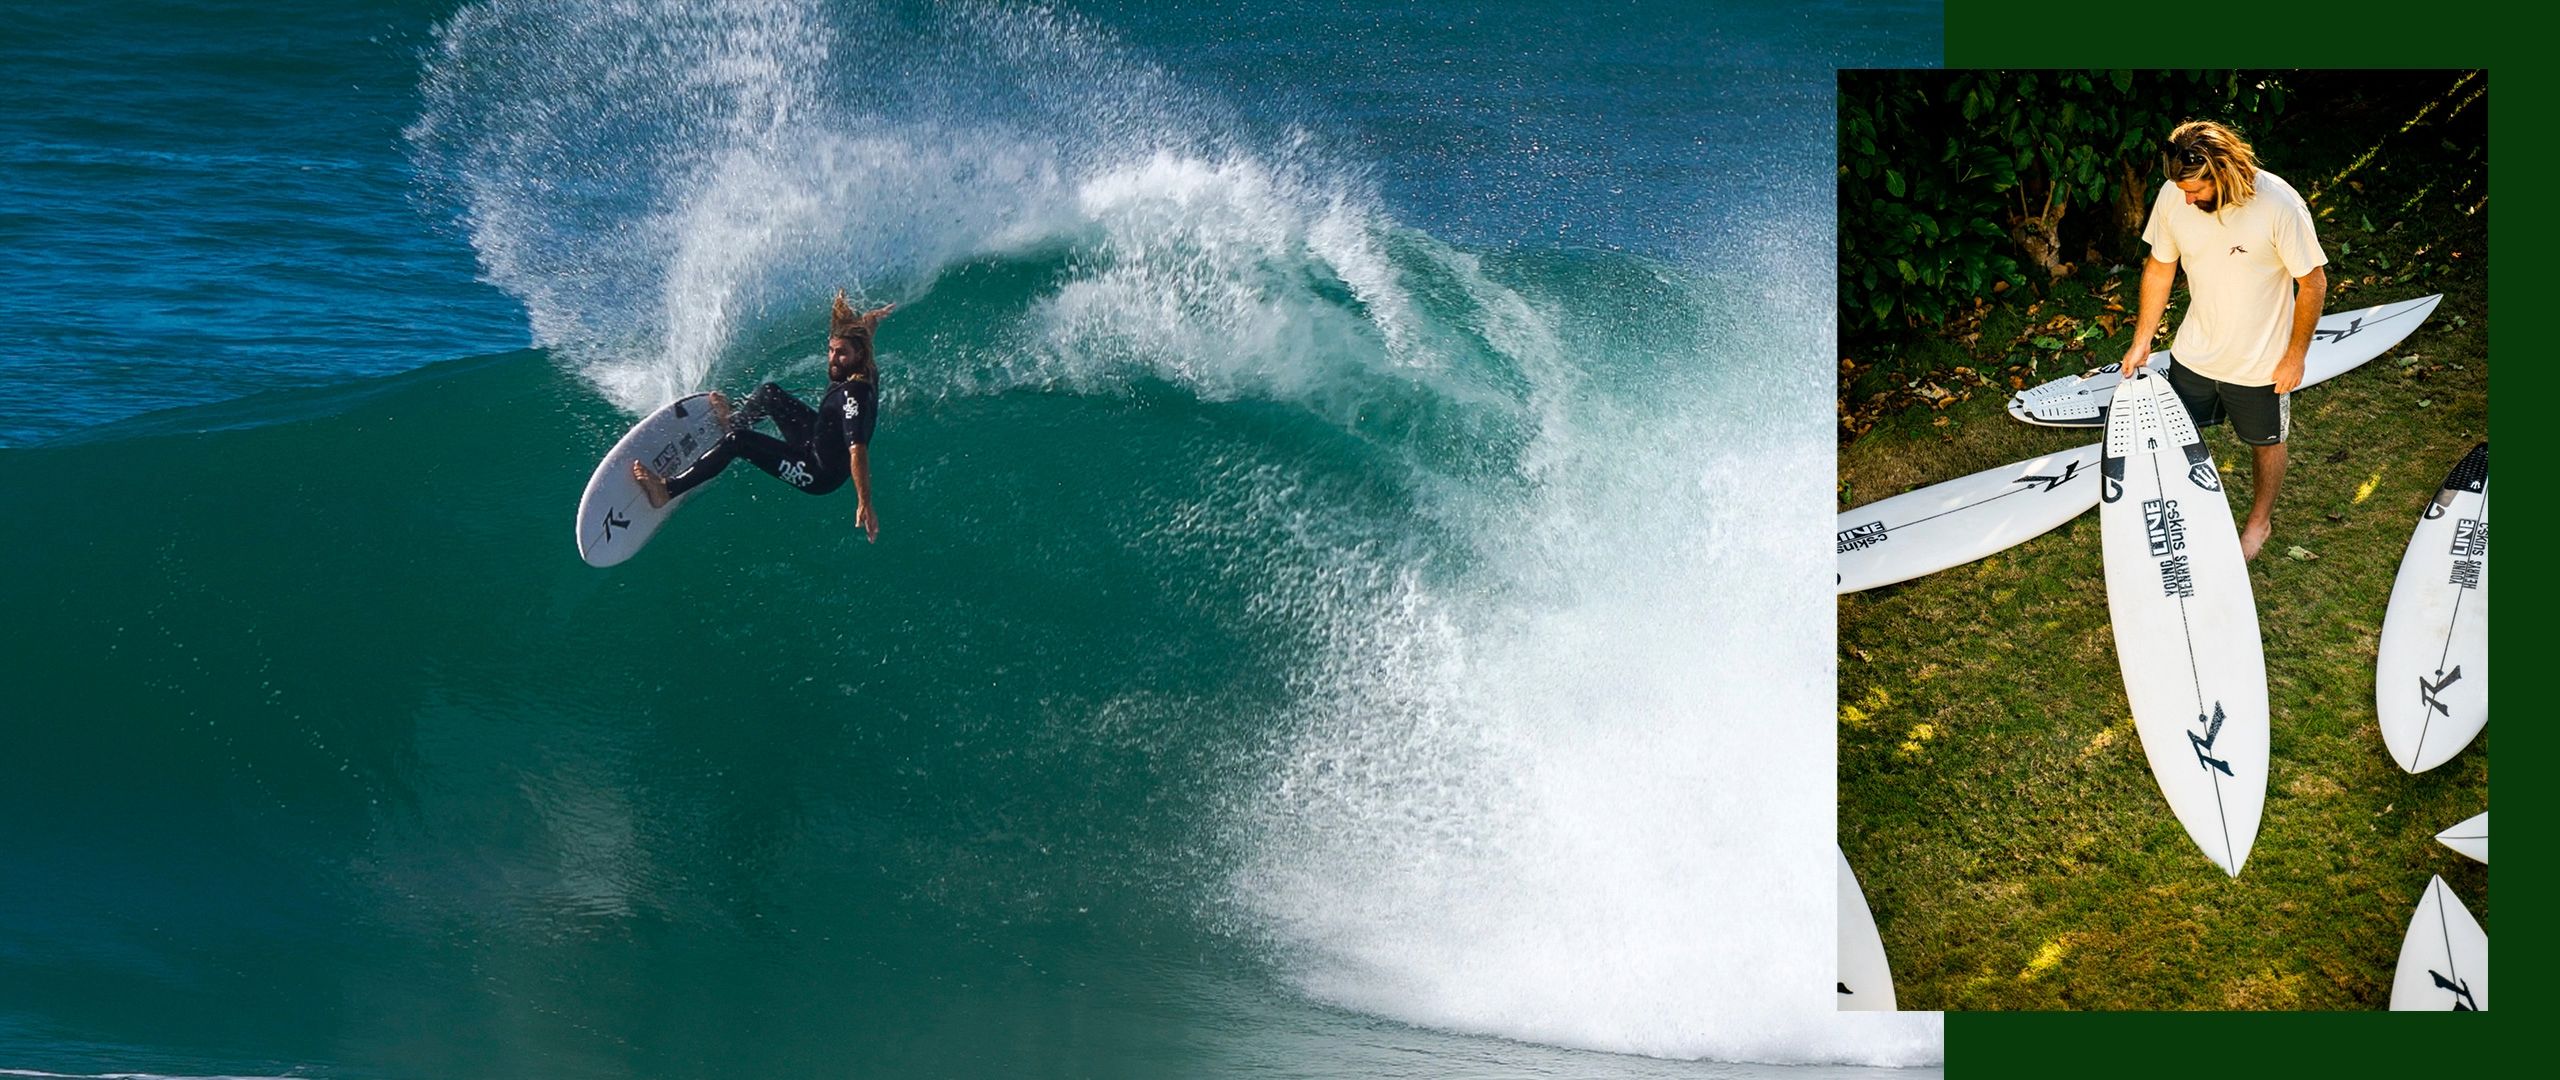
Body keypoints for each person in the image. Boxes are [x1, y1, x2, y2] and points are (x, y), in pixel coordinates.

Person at [2120, 119, 2328, 561]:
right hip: (2195, 352)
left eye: (2195, 189)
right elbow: (2160, 267)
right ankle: (2185, 511)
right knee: (2174, 436)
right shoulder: (2175, 196)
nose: (2185, 198)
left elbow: (2312, 282)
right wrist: (2143, 339)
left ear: (2224, 170)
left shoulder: (2278, 205)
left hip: (2260, 364)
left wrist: (2295, 355)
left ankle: (2259, 523)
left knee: (2266, 443)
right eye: (2180, 188)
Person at [632, 290, 891, 542]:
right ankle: (732, 420)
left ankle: (667, 490)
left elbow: (857, 450)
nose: (833, 359)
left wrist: (864, 501)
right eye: (831, 350)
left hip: (818, 471)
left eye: (841, 353)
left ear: (859, 354)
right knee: (770, 393)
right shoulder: (861, 360)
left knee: (738, 441)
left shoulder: (854, 395)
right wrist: (872, 319)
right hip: (817, 439)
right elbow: (866, 331)